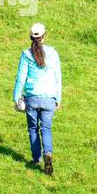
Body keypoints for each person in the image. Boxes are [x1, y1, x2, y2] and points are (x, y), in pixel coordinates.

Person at [13, 22, 61, 174]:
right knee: (46, 128)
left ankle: (36, 158)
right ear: (44, 37)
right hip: (49, 98)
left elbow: (21, 78)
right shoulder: (53, 53)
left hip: (32, 98)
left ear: (30, 37)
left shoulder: (26, 54)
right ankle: (48, 153)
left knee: (33, 129)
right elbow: (57, 77)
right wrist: (58, 98)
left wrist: (16, 97)